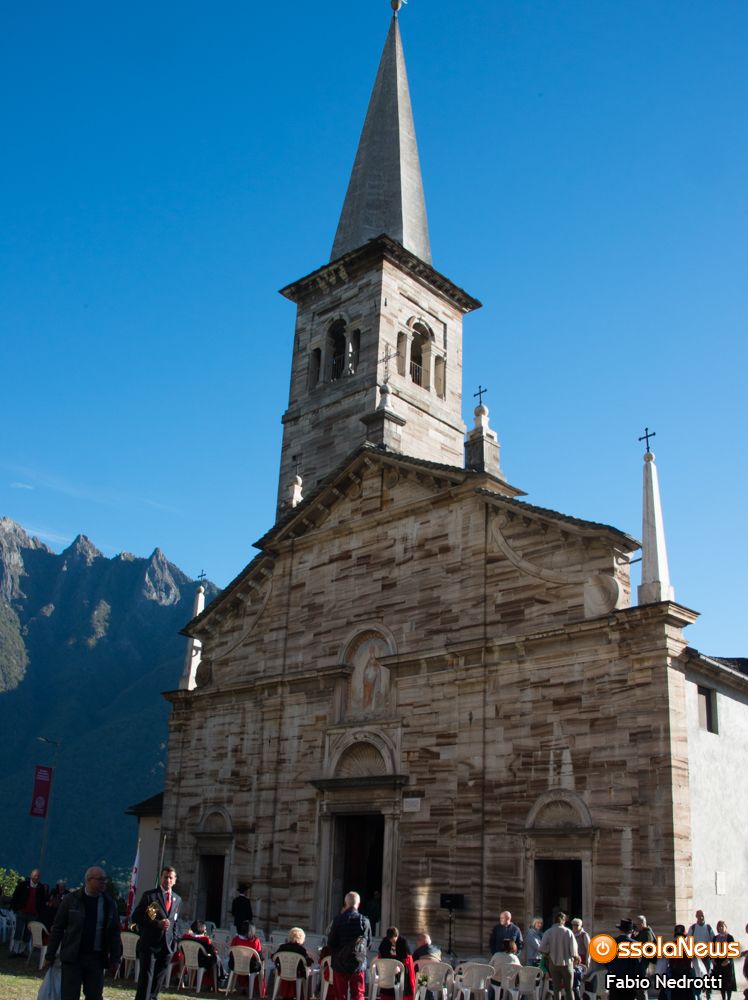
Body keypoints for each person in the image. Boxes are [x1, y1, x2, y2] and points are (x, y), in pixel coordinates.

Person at [43, 865, 122, 1000]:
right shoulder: (71, 900)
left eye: (105, 879)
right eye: (100, 879)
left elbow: (114, 932)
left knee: (94, 996)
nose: (104, 882)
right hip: (73, 957)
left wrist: (115, 958)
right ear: (89, 880)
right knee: (69, 996)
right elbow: (58, 928)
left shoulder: (109, 903)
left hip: (96, 958)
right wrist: (50, 955)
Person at [131, 865, 181, 1000]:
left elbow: (175, 921)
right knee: (146, 979)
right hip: (150, 945)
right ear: (161, 878)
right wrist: (156, 923)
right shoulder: (150, 896)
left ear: (175, 880)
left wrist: (174, 942)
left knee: (158, 980)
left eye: (170, 878)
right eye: (165, 877)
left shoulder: (177, 899)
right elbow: (136, 917)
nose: (168, 880)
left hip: (166, 946)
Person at [327, 890, 372, 1000]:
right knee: (358, 995)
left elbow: (331, 943)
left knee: (340, 995)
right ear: (358, 904)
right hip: (358, 963)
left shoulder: (337, 920)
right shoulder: (365, 921)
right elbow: (369, 944)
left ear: (345, 903)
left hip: (339, 962)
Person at [539, 911, 578, 1000]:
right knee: (569, 989)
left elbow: (541, 948)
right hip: (567, 964)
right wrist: (575, 958)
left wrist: (549, 952)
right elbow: (574, 950)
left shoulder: (548, 932)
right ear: (563, 921)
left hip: (553, 963)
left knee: (556, 990)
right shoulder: (568, 932)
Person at [10, 867, 49, 955]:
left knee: (28, 933)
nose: (36, 877)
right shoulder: (23, 885)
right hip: (22, 912)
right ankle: (15, 950)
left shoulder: (40, 887)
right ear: (31, 875)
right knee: (18, 931)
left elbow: (42, 901)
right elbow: (16, 896)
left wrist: (39, 912)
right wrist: (16, 908)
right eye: (35, 876)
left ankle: (22, 950)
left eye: (38, 876)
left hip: (33, 914)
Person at [181, 920, 222, 991]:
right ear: (202, 929)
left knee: (215, 959)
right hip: (200, 963)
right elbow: (212, 951)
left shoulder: (186, 936)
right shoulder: (205, 939)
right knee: (216, 959)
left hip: (188, 960)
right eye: (205, 929)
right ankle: (216, 983)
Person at [274, 927, 314, 998]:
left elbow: (274, 958)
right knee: (308, 972)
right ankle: (304, 995)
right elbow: (307, 962)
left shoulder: (282, 947)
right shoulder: (301, 949)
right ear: (301, 938)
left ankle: (285, 994)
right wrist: (311, 960)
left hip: (283, 972)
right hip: (297, 974)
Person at [377, 927, 415, 998]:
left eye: (393, 940)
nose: (391, 942)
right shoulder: (385, 941)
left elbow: (406, 958)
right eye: (390, 940)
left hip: (401, 967)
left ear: (396, 936)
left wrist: (398, 966)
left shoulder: (403, 942)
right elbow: (382, 955)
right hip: (388, 968)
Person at [229, 921, 264, 995]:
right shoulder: (256, 941)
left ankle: (242, 986)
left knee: (240, 963)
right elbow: (260, 956)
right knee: (259, 966)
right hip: (250, 967)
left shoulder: (236, 939)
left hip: (236, 965)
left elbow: (231, 953)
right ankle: (258, 990)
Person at [607, 920, 640, 1000]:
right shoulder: (635, 944)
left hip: (614, 978)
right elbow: (637, 964)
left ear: (620, 930)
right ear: (631, 931)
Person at [688, 911, 716, 999]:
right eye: (699, 916)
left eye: (702, 916)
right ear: (696, 916)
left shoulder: (708, 927)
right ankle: (698, 994)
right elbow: (689, 941)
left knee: (707, 974)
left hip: (706, 955)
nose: (701, 917)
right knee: (698, 974)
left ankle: (708, 994)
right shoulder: (693, 928)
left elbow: (713, 941)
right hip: (696, 956)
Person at [631, 916, 656, 1000]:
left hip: (642, 966)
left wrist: (633, 937)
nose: (635, 927)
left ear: (641, 924)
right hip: (640, 966)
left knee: (641, 991)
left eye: (636, 925)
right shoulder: (643, 932)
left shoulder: (647, 934)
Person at [712, 921, 736, 1000]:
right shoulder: (715, 938)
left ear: (725, 927)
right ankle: (723, 998)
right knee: (721, 983)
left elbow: (733, 950)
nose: (721, 928)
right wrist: (713, 959)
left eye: (722, 926)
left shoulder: (730, 937)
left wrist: (728, 959)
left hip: (727, 963)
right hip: (719, 963)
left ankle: (729, 998)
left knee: (728, 982)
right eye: (719, 926)